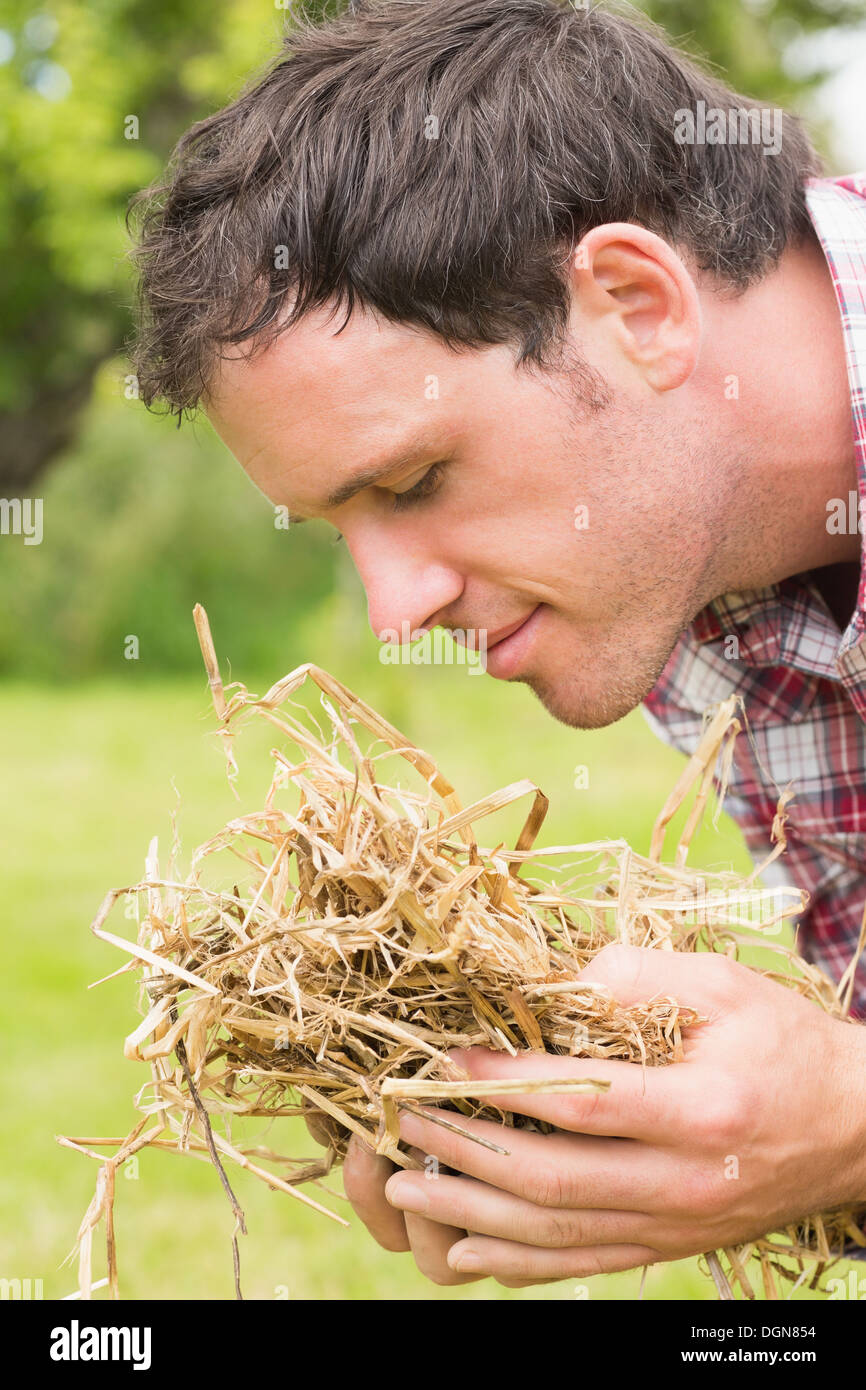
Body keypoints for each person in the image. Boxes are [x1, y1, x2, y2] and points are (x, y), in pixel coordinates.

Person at [128, 0, 866, 1287]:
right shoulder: (709, 575)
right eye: (331, 526)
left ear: (635, 306)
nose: (391, 609)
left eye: (411, 481)